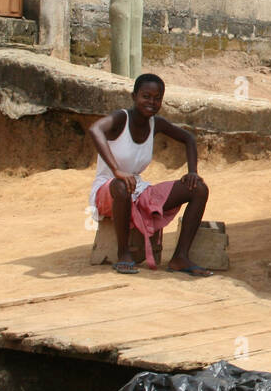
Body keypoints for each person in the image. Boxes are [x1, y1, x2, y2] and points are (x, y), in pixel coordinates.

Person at [88, 72, 213, 276]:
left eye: (157, 98)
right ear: (134, 96)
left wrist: (193, 172)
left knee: (199, 189)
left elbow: (189, 139)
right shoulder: (122, 118)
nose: (151, 102)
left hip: (137, 189)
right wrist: (117, 171)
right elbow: (95, 130)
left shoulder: (157, 123)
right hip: (109, 189)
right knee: (121, 186)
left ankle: (180, 257)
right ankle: (124, 254)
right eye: (146, 96)